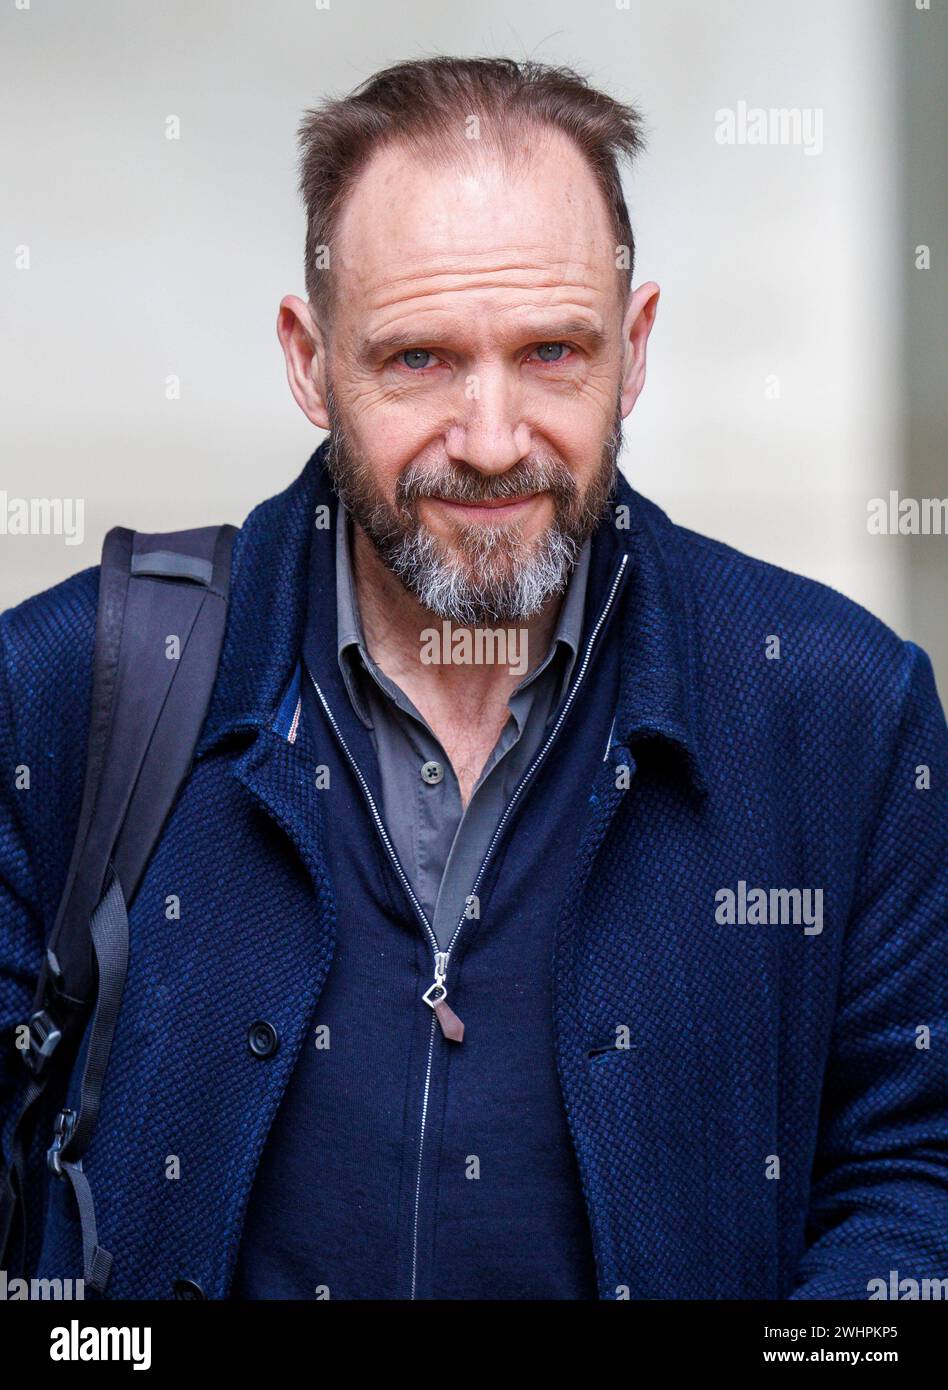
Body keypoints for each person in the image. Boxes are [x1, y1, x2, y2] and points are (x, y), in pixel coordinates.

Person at [1, 57, 945, 1301]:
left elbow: (908, 1175)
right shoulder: (74, 689)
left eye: (553, 352)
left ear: (638, 344)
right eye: (420, 361)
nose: (493, 441)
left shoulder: (842, 710)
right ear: (307, 357)